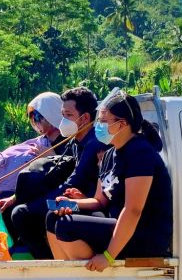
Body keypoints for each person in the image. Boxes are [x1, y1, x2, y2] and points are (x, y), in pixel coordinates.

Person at [47, 90, 172, 270]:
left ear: (122, 124)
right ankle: (69, 274)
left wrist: (108, 256)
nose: (98, 125)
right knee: (54, 215)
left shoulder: (140, 154)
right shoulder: (109, 154)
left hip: (142, 234)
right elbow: (100, 201)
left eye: (104, 121)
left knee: (68, 226)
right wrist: (73, 204)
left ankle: (95, 275)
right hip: (115, 222)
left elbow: (133, 210)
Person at [2, 87, 105, 259]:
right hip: (69, 196)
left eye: (68, 116)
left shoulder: (93, 144)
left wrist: (43, 202)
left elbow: (73, 182)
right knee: (14, 206)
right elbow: (56, 175)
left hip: (84, 203)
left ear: (85, 117)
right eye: (62, 115)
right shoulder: (75, 141)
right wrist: (18, 196)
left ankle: (47, 262)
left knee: (21, 214)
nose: (62, 120)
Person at [0, 92, 70, 199]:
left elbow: (69, 177)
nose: (34, 121)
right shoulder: (39, 142)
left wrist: (52, 157)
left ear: (51, 115)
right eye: (31, 117)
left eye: (37, 116)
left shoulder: (69, 143)